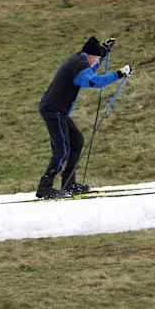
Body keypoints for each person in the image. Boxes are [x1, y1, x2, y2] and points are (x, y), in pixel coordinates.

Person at [35, 36, 132, 199]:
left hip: (59, 111)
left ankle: (69, 184)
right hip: (54, 110)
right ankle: (44, 187)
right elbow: (96, 81)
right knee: (62, 150)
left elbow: (91, 68)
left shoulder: (80, 59)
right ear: (91, 56)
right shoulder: (79, 66)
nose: (97, 62)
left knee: (77, 141)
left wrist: (104, 52)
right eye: (97, 59)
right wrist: (119, 74)